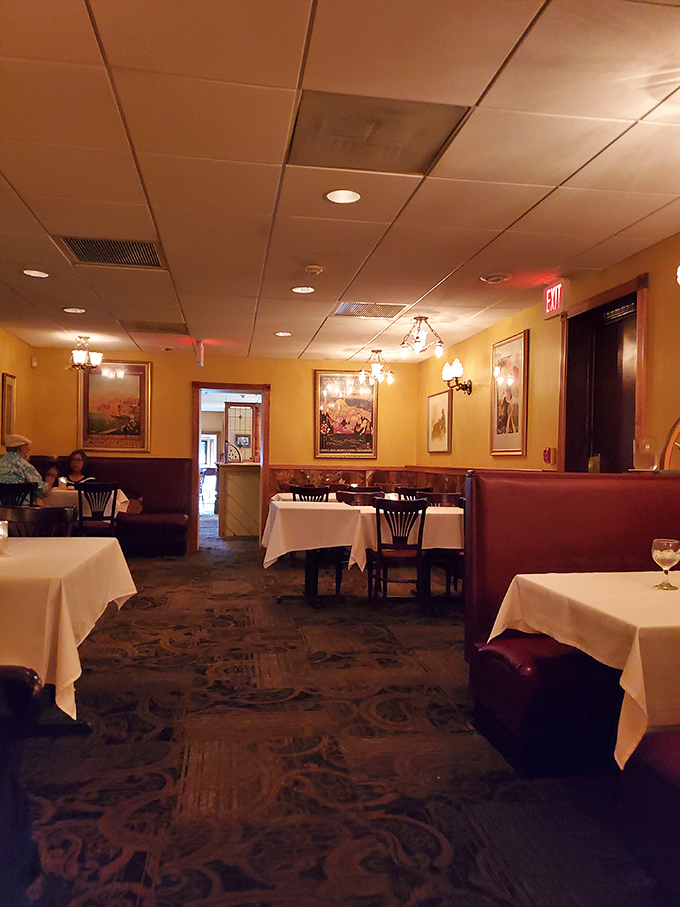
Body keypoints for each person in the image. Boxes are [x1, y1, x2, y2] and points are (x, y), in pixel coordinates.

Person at [0, 434, 55, 499]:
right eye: (27, 449)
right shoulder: (24, 465)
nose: (28, 452)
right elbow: (43, 492)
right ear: (22, 448)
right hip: (21, 508)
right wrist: (50, 478)